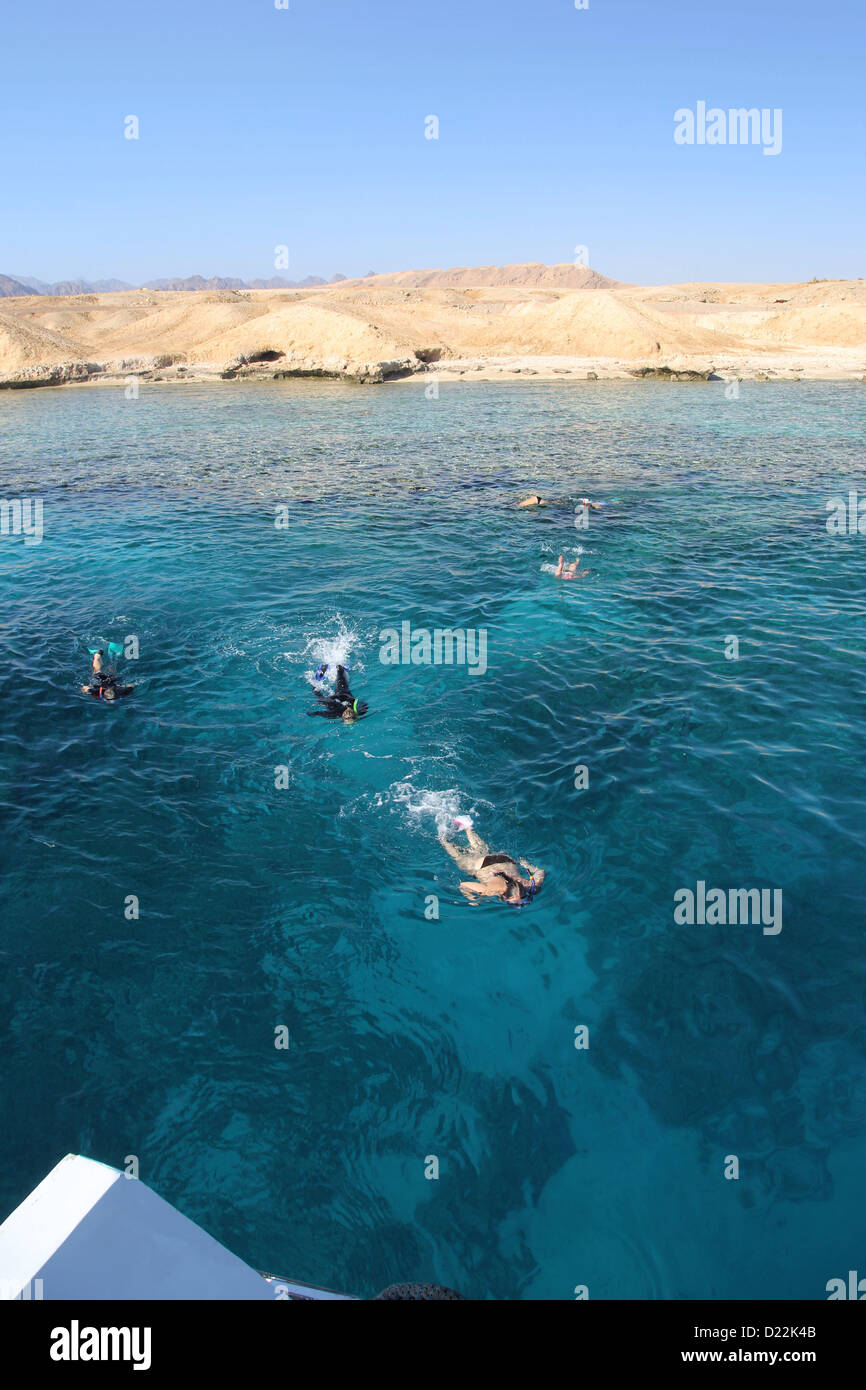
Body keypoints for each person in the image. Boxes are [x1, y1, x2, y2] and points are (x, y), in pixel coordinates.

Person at [438, 822, 545, 905]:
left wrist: (526, 865)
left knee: (481, 849)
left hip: (506, 860)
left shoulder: (529, 886)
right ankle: (443, 840)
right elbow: (464, 885)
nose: (518, 907)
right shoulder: (492, 891)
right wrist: (472, 900)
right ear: (504, 897)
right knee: (459, 858)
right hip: (482, 866)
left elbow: (540, 871)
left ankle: (468, 828)